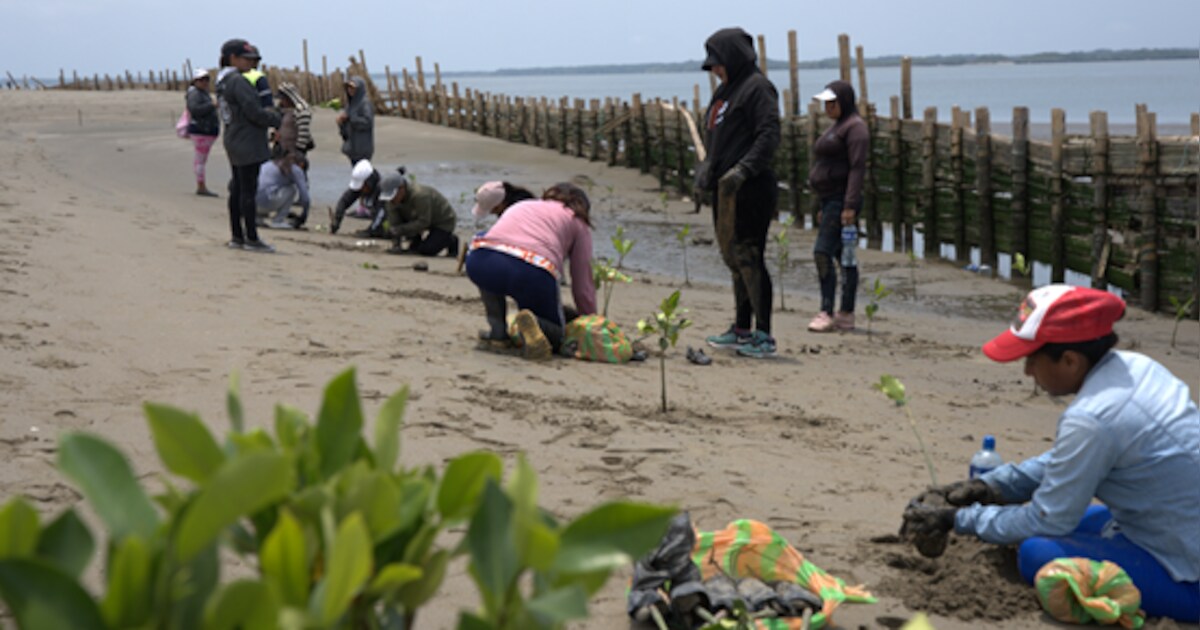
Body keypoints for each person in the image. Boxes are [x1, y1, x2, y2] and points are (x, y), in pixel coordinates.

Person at [900, 285, 1200, 622]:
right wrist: (994, 488)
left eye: (1032, 359)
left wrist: (958, 520)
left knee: (1036, 552)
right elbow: (1066, 461)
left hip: (1188, 572)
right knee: (1073, 522)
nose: (1027, 371)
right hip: (1171, 525)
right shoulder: (1136, 368)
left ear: (1070, 360)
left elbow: (1049, 518)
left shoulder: (1091, 419)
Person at [696, 27, 781, 358]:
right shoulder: (725, 92)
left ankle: (764, 334)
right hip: (724, 189)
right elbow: (717, 140)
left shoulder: (758, 88)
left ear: (733, 58)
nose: (715, 70)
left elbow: (769, 135)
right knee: (733, 259)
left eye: (718, 63)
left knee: (749, 256)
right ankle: (741, 327)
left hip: (751, 188)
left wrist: (743, 170)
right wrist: (707, 171)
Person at [465, 183, 595, 360]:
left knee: (493, 275)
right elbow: (582, 284)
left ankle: (498, 332)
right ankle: (537, 324)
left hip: (481, 258)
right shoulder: (578, 222)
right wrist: (592, 323)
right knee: (559, 336)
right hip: (531, 269)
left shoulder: (523, 205)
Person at [807, 80, 868, 333]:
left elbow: (856, 168)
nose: (828, 107)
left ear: (844, 101)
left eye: (832, 102)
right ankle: (846, 314)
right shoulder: (839, 127)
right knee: (844, 257)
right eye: (826, 103)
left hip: (842, 200)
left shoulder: (855, 128)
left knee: (822, 252)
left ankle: (827, 310)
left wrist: (849, 206)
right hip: (830, 200)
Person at [216, 38, 281, 252]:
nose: (251, 64)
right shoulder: (238, 81)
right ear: (232, 58)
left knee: (237, 188)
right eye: (247, 58)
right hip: (246, 140)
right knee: (247, 191)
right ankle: (251, 238)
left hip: (233, 138)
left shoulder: (222, 81)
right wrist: (276, 118)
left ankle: (237, 236)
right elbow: (254, 112)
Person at [379, 173, 459, 257]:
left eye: (393, 196)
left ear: (402, 188)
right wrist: (396, 244)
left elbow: (424, 221)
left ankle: (451, 240)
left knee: (427, 250)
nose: (391, 200)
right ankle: (417, 241)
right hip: (415, 218)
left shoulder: (420, 196)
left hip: (443, 221)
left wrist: (401, 229)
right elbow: (395, 222)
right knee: (414, 249)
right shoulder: (391, 202)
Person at [185, 69, 220, 197]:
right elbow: (194, 109)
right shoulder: (195, 94)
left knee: (201, 160)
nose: (204, 82)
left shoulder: (202, 93)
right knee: (200, 160)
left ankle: (201, 185)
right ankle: (201, 186)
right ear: (195, 81)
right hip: (201, 130)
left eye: (206, 79)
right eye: (201, 80)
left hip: (206, 130)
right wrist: (212, 106)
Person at [328, 159, 382, 235]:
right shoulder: (362, 187)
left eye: (361, 186)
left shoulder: (381, 190)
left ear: (369, 182)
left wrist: (369, 232)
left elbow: (381, 216)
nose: (360, 189)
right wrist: (336, 221)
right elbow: (343, 202)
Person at [255, 156, 309, 229]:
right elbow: (305, 197)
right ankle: (278, 221)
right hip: (267, 203)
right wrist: (304, 215)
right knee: (291, 189)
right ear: (301, 165)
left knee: (263, 189)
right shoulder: (296, 169)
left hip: (252, 204)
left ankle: (257, 218)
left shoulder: (268, 164)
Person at [338, 76, 374, 165]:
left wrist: (351, 118)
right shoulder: (350, 105)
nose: (350, 90)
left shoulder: (365, 103)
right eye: (349, 88)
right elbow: (345, 130)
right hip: (352, 148)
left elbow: (368, 122)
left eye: (353, 88)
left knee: (362, 174)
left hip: (363, 148)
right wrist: (341, 123)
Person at [471, 180, 536, 219]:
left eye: (492, 211)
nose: (491, 213)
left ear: (499, 206)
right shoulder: (525, 197)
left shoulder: (515, 215)